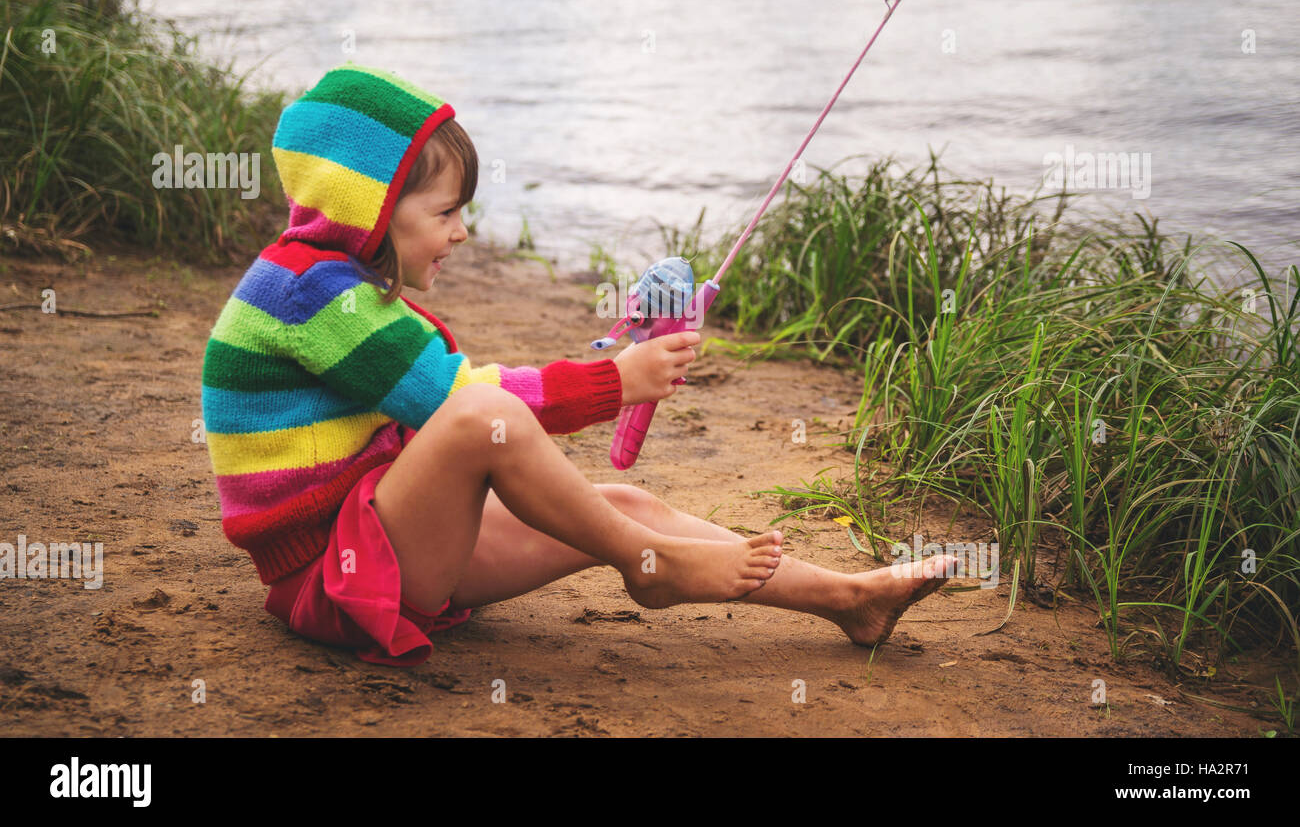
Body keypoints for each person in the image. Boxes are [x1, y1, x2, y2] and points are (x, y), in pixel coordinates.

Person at [200, 61, 955, 667]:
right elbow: (457, 404)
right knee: (482, 415)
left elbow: (454, 408)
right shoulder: (307, 294)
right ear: (370, 209)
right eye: (445, 213)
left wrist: (614, 376)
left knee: (622, 504)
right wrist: (614, 381)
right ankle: (650, 565)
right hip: (337, 577)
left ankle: (851, 598)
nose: (462, 233)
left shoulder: (340, 286)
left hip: (382, 537)